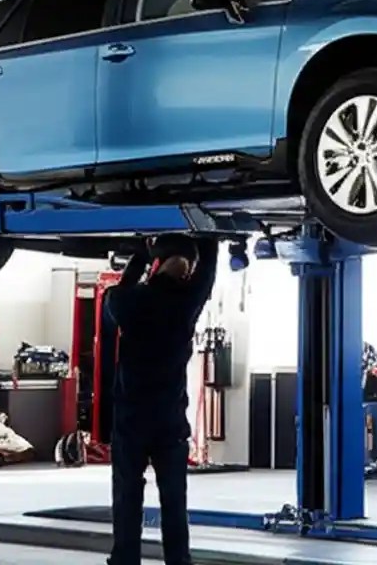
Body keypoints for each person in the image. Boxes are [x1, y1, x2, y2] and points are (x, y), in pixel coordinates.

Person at [102, 234, 218, 565]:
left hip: (131, 417)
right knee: (173, 500)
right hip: (169, 419)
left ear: (157, 264)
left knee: (127, 495)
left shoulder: (132, 302)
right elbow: (208, 272)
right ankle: (178, 561)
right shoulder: (187, 303)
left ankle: (125, 560)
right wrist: (207, 233)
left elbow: (113, 296)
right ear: (188, 268)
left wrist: (138, 257)